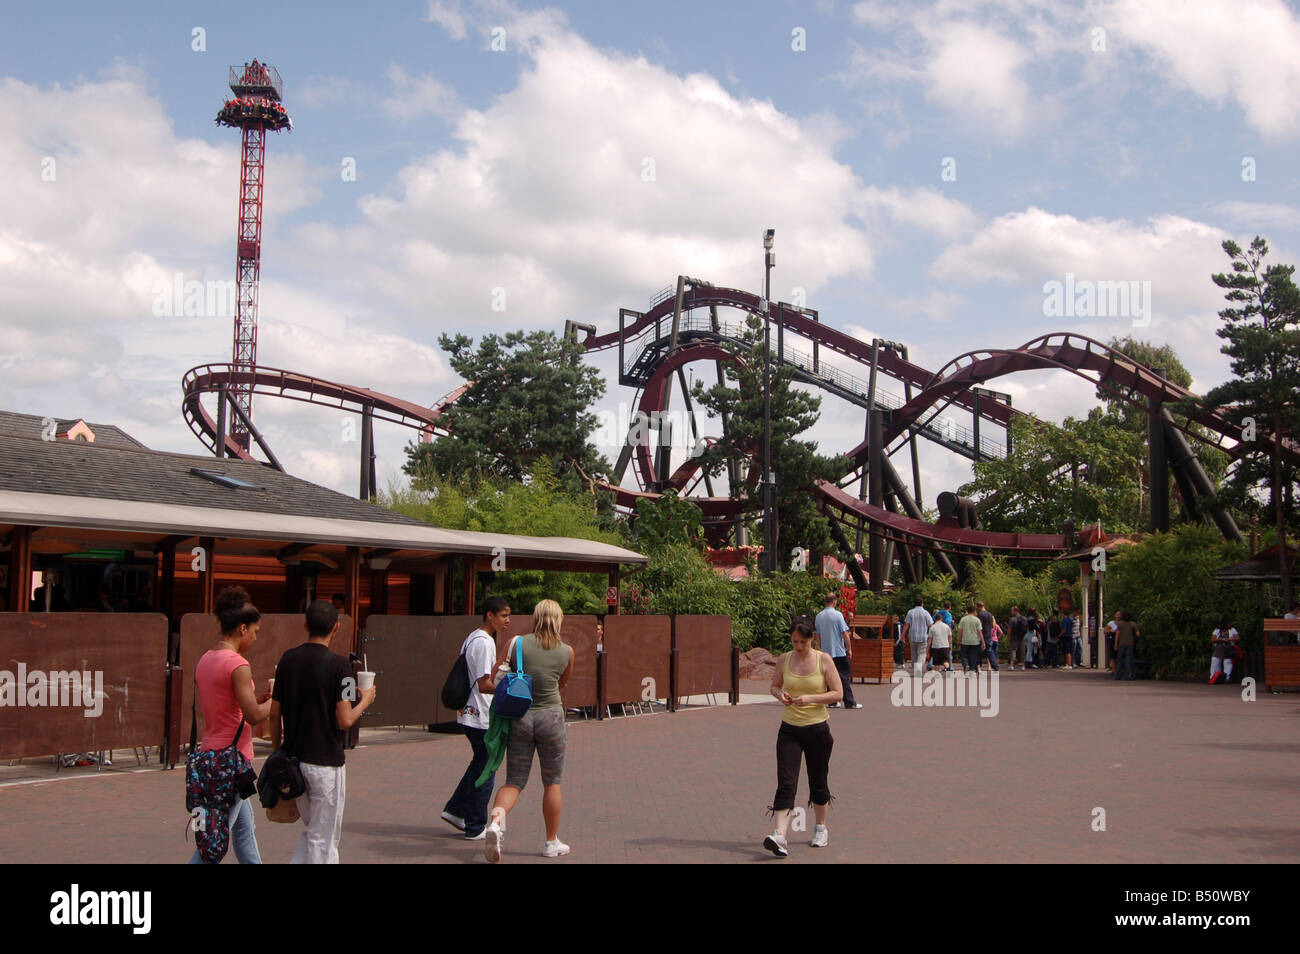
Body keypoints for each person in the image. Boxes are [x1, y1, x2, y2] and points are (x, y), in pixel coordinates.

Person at [269, 599, 376, 863]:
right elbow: (345, 719)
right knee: (323, 837)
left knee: (315, 832)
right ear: (336, 627)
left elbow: (274, 713)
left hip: (294, 760)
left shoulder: (287, 659)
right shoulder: (342, 666)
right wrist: (366, 700)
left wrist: (277, 752)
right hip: (326, 762)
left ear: (306, 624)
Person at [484, 599, 575, 863]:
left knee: (514, 781)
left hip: (520, 717)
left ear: (535, 618)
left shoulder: (517, 643)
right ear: (558, 620)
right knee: (552, 782)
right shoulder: (566, 651)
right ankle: (551, 842)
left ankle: (496, 820)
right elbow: (562, 683)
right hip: (551, 718)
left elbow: (493, 677)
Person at [189, 586, 272, 864]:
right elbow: (253, 716)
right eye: (256, 631)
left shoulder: (205, 659)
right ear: (242, 628)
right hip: (232, 763)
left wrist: (253, 701)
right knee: (212, 845)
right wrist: (277, 700)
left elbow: (225, 704)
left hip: (210, 757)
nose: (256, 638)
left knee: (244, 833)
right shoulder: (237, 664)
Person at [763, 620, 844, 856]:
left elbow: (837, 692)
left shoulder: (823, 659)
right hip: (789, 729)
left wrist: (810, 698)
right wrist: (781, 695)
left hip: (818, 729)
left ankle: (820, 828)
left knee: (818, 780)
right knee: (786, 782)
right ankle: (779, 836)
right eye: (795, 641)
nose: (799, 646)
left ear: (812, 639)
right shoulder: (784, 659)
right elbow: (774, 686)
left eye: (803, 641)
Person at [442, 596, 510, 839]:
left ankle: (455, 810)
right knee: (486, 768)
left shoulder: (472, 637)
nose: (507, 621)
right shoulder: (484, 643)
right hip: (480, 714)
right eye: (503, 615)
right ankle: (475, 825)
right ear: (490, 615)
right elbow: (483, 684)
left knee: (479, 764)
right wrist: (507, 687)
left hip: (469, 713)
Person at [816, 593, 860, 708]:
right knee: (843, 676)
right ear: (834, 602)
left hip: (825, 651)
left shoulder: (819, 616)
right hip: (838, 650)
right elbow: (845, 633)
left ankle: (832, 701)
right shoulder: (838, 615)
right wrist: (849, 649)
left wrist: (820, 649)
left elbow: (818, 636)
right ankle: (850, 702)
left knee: (829, 676)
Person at [902, 596, 934, 678]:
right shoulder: (926, 613)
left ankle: (916, 668)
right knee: (922, 654)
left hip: (912, 636)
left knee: (914, 654)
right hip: (923, 637)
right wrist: (932, 635)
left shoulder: (910, 612)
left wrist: (902, 635)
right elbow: (931, 625)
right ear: (922, 604)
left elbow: (907, 624)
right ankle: (918, 670)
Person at [1209, 619, 1239, 685]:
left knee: (1228, 662)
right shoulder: (1217, 630)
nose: (1230, 625)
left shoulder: (1232, 630)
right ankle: (1214, 677)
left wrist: (1230, 639)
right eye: (1228, 623)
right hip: (1219, 649)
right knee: (1215, 662)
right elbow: (1212, 639)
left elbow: (1237, 638)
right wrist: (1220, 639)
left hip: (1229, 649)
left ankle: (1227, 678)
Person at [957, 605, 984, 675]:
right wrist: (983, 642)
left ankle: (966, 665)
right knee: (973, 656)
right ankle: (972, 669)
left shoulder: (963, 619)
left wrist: (959, 640)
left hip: (965, 640)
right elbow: (980, 632)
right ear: (974, 611)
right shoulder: (977, 620)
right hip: (975, 641)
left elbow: (960, 631)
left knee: (964, 654)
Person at [1113, 611, 1139, 681]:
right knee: (1128, 660)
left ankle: (1118, 676)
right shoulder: (1132, 624)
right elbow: (1138, 634)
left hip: (1121, 643)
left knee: (1120, 660)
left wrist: (1115, 643)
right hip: (1130, 644)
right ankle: (1128, 676)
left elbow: (1117, 634)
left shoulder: (1120, 624)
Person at [976, 601, 998, 672]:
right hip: (989, 635)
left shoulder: (981, 614)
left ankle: (978, 666)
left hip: (982, 635)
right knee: (989, 651)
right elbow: (993, 625)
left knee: (979, 652)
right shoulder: (990, 614)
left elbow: (979, 625)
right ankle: (995, 666)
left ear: (979, 606)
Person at [1007, 606, 1026, 670]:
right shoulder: (1023, 618)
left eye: (1012, 611)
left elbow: (1009, 629)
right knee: (1022, 651)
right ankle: (1023, 666)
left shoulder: (1012, 619)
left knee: (1013, 650)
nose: (1011, 612)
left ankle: (1012, 665)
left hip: (1014, 637)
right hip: (1022, 636)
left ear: (1015, 611)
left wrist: (1008, 637)